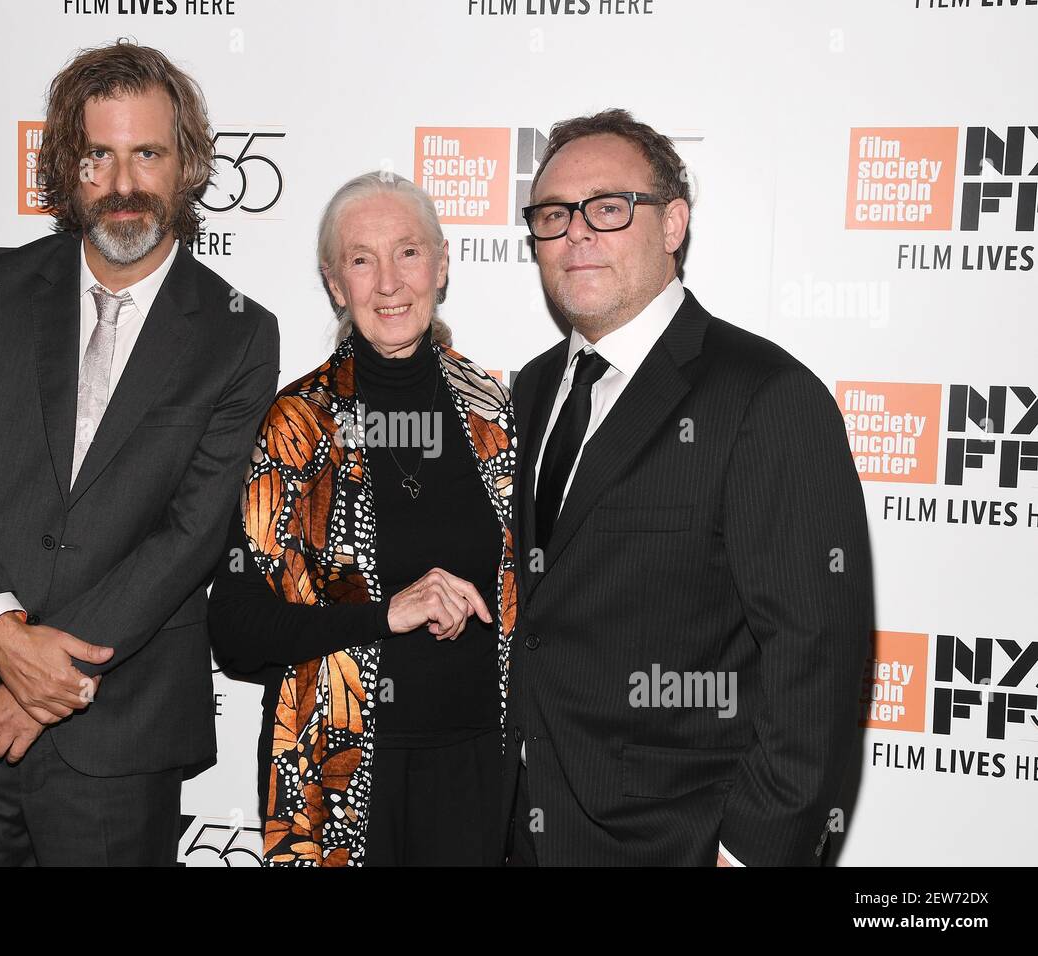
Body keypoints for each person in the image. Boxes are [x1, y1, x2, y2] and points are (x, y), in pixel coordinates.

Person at [0, 41, 279, 865]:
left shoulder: (239, 332)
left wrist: (44, 685)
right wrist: (1, 639)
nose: (125, 184)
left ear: (188, 166)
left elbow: (194, 533)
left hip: (120, 725)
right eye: (98, 155)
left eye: (148, 154)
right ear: (68, 165)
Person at [505, 109, 872, 866]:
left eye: (608, 208)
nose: (575, 233)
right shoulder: (531, 391)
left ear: (673, 224)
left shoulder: (766, 397)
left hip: (677, 845)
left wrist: (748, 852)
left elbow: (817, 660)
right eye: (551, 214)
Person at [208, 172, 518, 866]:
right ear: (334, 282)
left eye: (408, 252)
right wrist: (384, 615)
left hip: (479, 777)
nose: (387, 282)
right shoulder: (296, 426)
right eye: (360, 259)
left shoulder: (501, 415)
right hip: (334, 776)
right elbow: (235, 628)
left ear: (442, 265)